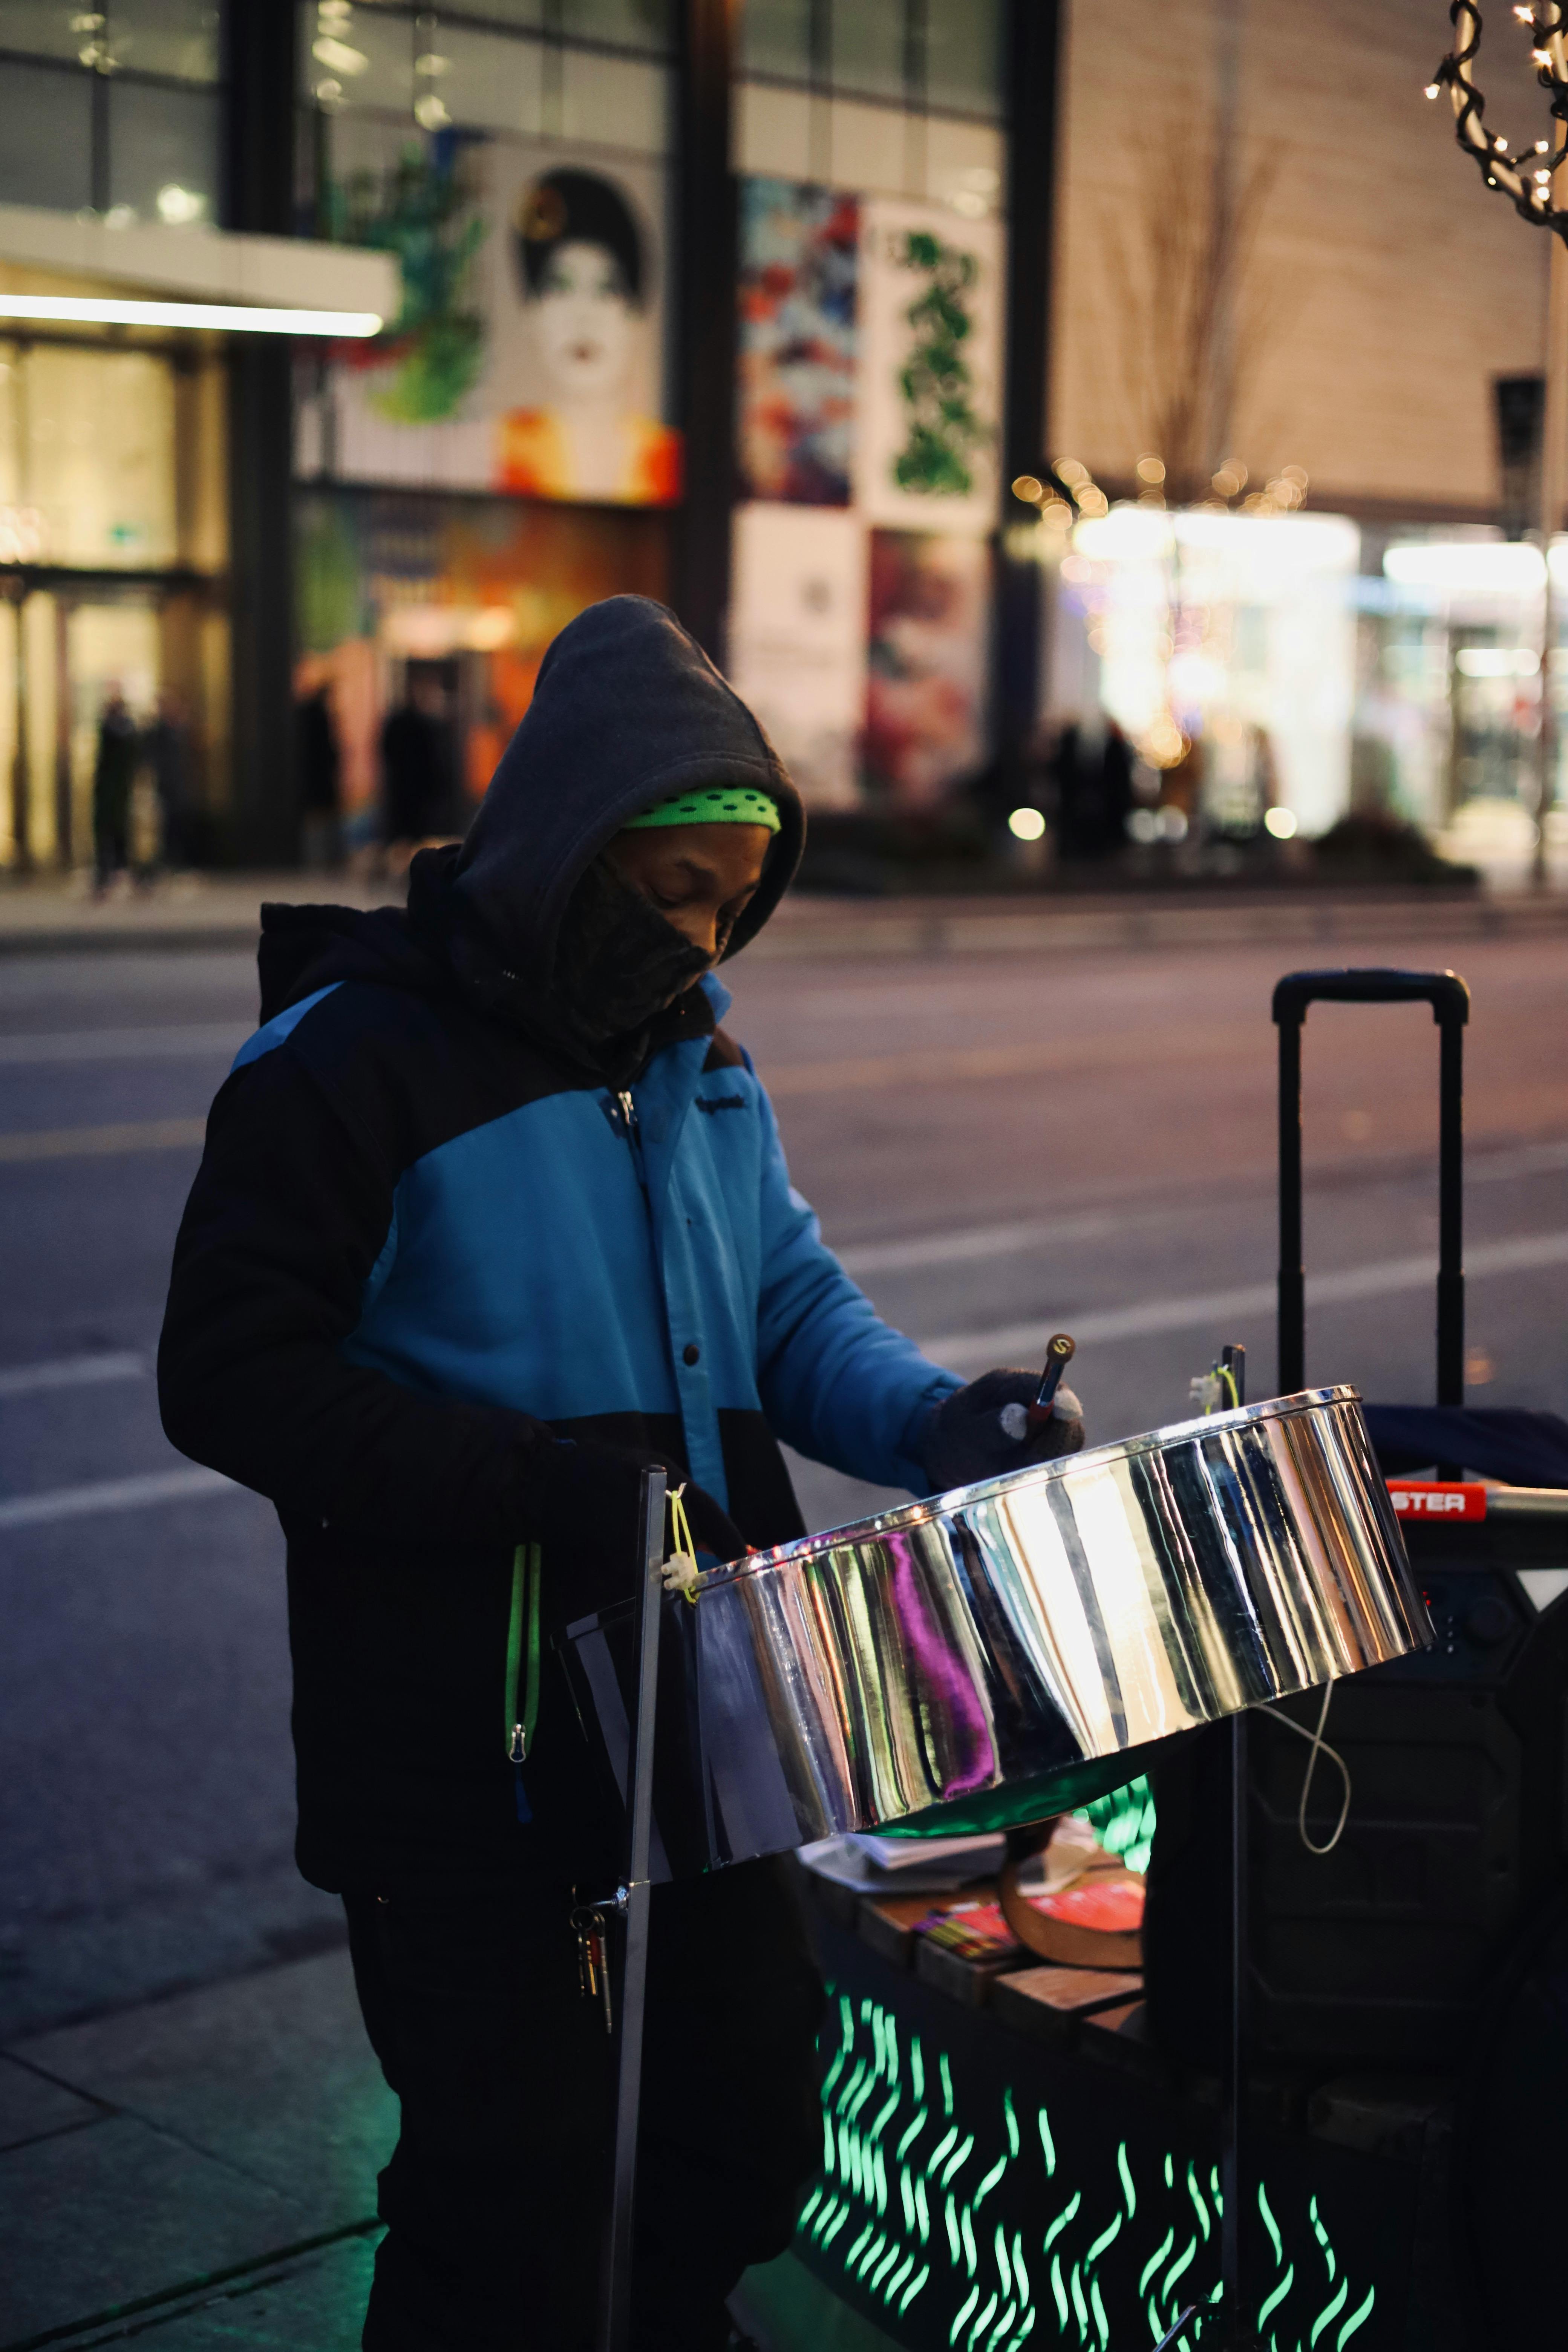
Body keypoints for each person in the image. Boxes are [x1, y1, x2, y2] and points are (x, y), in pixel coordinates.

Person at [157, 596, 1083, 2352]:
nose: (707, 933)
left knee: (737, 2124)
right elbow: (228, 1375)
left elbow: (788, 1307)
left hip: (708, 1715)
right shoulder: (345, 1062)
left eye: (736, 899)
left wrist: (937, 1421)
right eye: (675, 891)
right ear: (578, 846)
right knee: (509, 2182)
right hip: (464, 1735)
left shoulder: (702, 1063)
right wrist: (528, 1478)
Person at [496, 167, 681, 506]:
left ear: (636, 317)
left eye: (607, 290)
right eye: (561, 287)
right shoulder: (493, 452)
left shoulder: (678, 464)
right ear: (532, 312)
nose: (584, 316)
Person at [380, 673, 453, 855]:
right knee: (414, 830)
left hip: (403, 787)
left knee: (403, 830)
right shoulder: (422, 725)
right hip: (415, 788)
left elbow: (386, 750)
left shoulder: (400, 722)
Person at [92, 684, 139, 894]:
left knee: (117, 832)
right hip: (111, 792)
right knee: (109, 833)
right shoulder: (119, 730)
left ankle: (117, 873)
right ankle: (109, 873)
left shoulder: (120, 730)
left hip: (117, 792)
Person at [296, 683, 342, 872]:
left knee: (317, 820)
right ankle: (320, 859)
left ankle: (318, 859)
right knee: (320, 819)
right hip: (318, 778)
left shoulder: (307, 717)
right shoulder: (318, 717)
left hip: (314, 778)